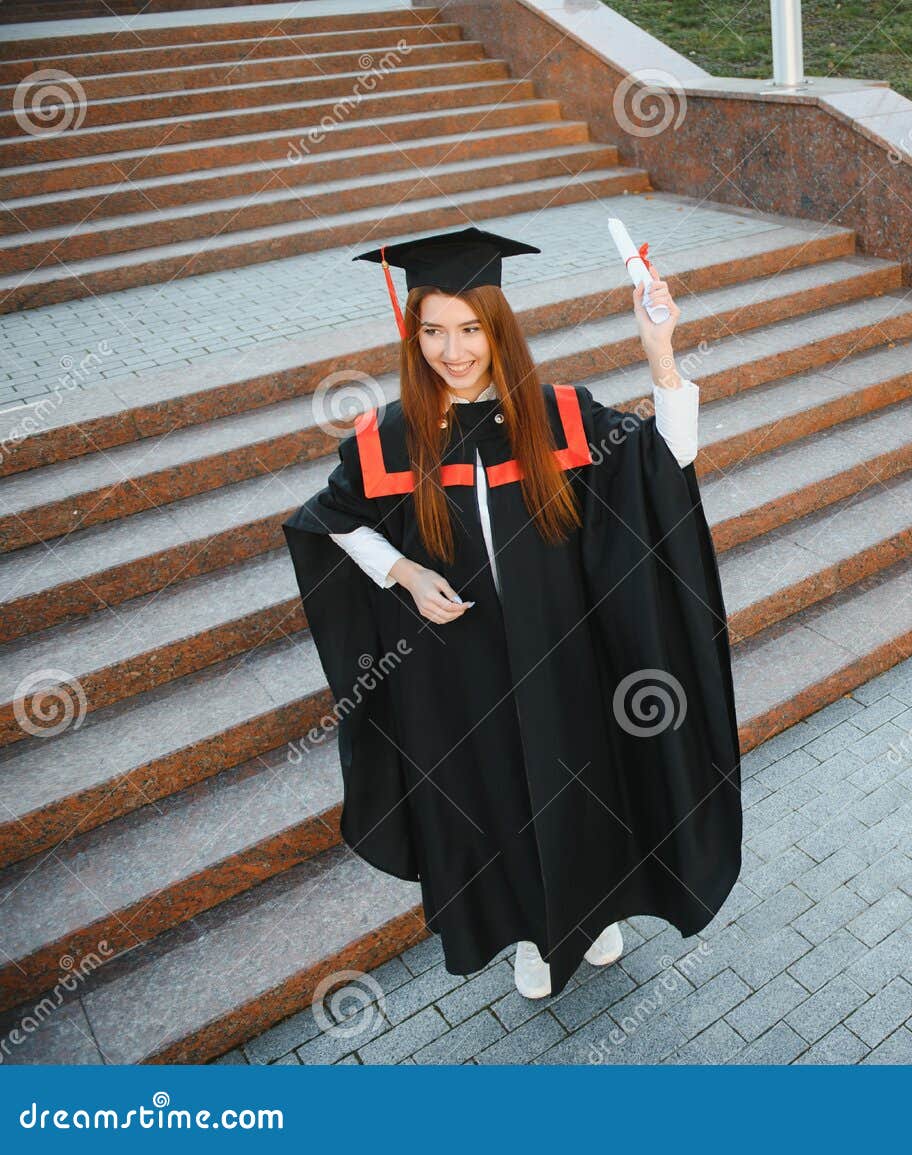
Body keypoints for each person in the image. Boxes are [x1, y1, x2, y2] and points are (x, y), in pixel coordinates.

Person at [282, 226, 743, 1002]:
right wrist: (403, 573)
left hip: (564, 652)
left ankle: (592, 912)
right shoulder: (392, 434)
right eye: (432, 330)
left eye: (469, 330)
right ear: (412, 332)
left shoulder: (562, 415)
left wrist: (659, 350)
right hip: (461, 668)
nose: (451, 351)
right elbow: (328, 522)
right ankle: (534, 931)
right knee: (496, 796)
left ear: (499, 331)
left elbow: (670, 460)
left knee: (580, 784)